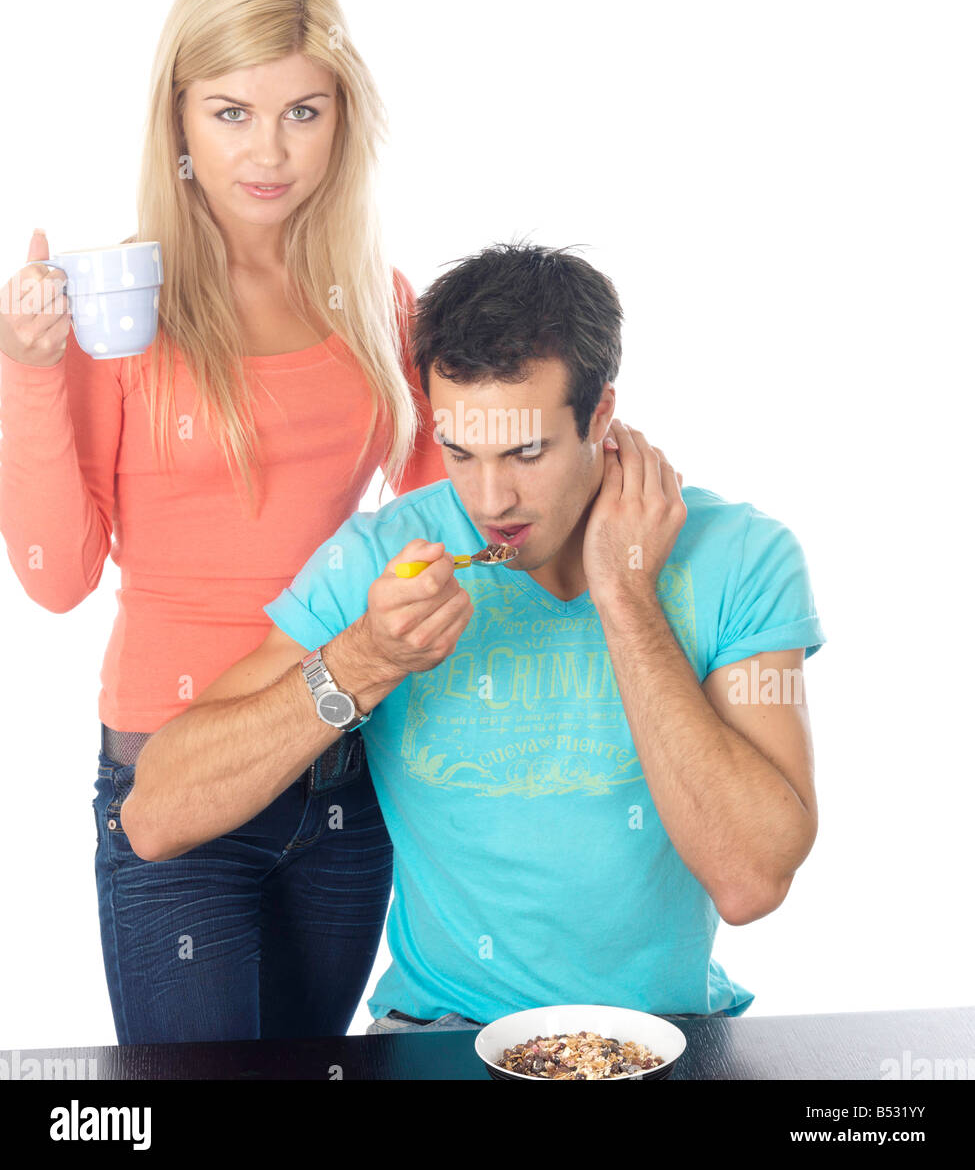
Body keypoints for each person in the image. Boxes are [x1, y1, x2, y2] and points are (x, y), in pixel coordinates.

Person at [120, 240, 825, 1031]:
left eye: (526, 452)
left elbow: (751, 881)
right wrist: (363, 661)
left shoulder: (742, 556)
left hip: (669, 1036)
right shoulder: (386, 555)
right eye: (459, 451)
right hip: (442, 1035)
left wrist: (625, 595)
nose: (491, 499)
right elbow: (155, 816)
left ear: (599, 414)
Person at [0, 0, 447, 1044]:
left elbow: (438, 528)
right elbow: (58, 580)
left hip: (345, 775)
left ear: (343, 117)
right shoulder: (117, 312)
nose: (269, 149)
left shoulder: (379, 302)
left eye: (304, 110)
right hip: (175, 773)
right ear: (181, 121)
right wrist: (24, 367)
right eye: (232, 111)